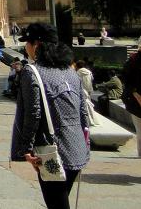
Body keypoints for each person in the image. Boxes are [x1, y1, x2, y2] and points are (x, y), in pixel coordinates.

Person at [11, 22, 89, 209]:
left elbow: (33, 113)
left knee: (56, 204)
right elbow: (83, 112)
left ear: (36, 45)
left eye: (27, 42)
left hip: (52, 151)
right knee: (60, 201)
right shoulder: (70, 72)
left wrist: (26, 149)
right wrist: (85, 143)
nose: (25, 47)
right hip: (77, 148)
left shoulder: (32, 72)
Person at [73, 60, 99, 126]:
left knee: (83, 104)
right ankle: (92, 117)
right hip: (89, 89)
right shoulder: (89, 72)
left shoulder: (77, 72)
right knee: (89, 103)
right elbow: (92, 79)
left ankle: (86, 118)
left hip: (82, 90)